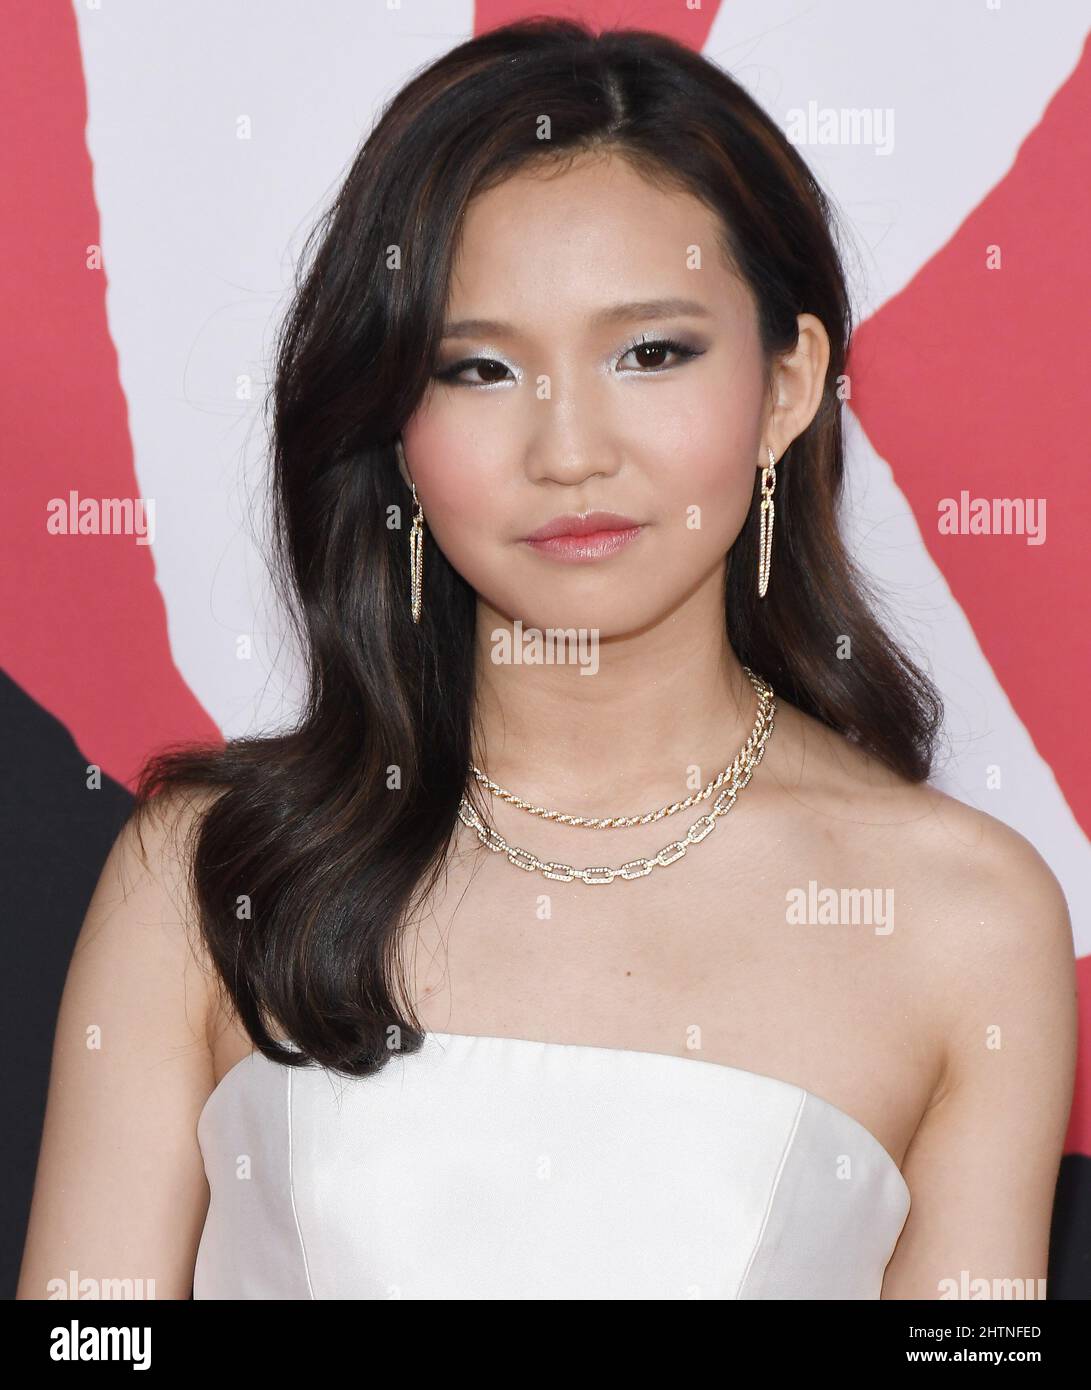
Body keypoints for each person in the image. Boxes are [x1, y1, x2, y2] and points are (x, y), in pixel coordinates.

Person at [18, 18, 1076, 1301]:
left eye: (649, 352)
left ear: (787, 387)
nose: (568, 448)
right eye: (476, 366)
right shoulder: (209, 869)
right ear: (393, 425)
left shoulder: (964, 919)